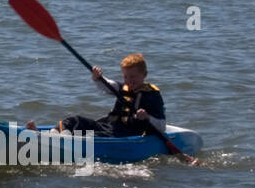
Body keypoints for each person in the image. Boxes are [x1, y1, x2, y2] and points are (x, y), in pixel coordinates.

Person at [25, 53, 164, 136]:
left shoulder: (152, 95)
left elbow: (162, 126)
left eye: (133, 77)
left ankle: (54, 141)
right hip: (109, 127)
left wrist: (147, 117)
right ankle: (48, 135)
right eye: (126, 77)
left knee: (91, 136)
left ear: (144, 75)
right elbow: (107, 85)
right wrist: (97, 77)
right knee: (75, 120)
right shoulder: (123, 87)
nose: (129, 81)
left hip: (125, 134)